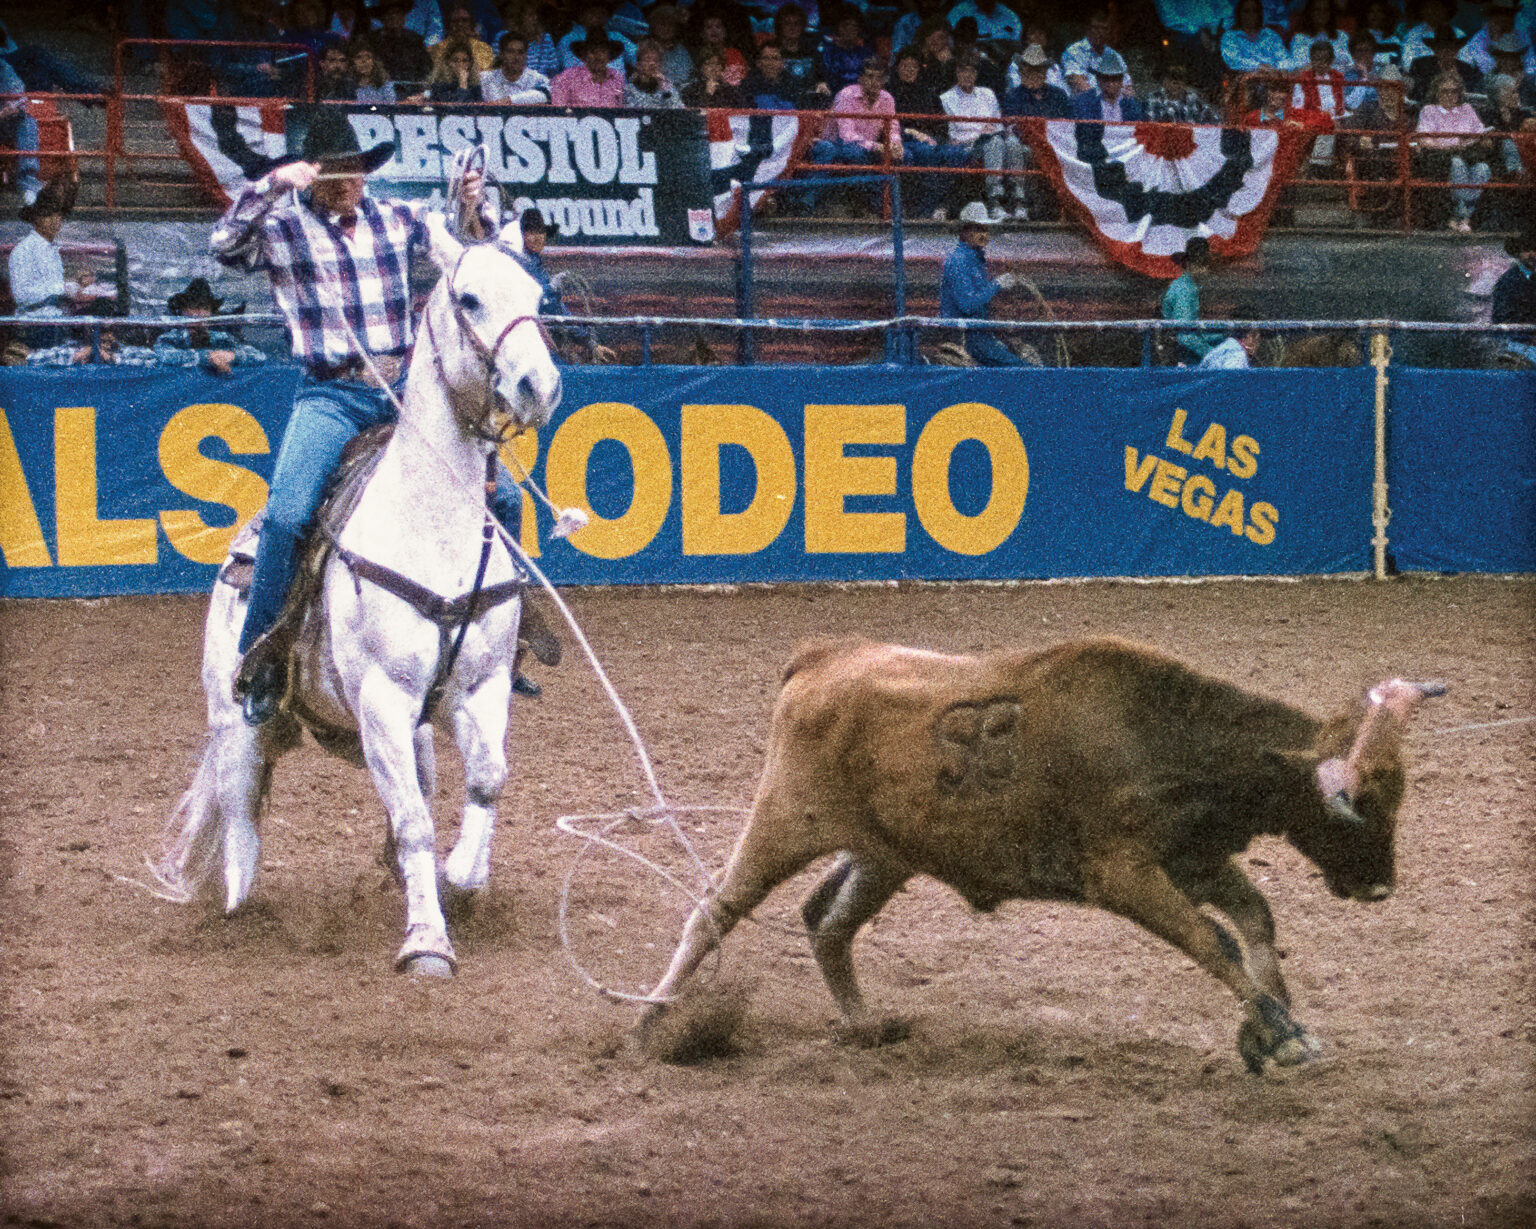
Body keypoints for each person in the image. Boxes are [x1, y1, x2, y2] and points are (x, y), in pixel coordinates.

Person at [208, 109, 525, 725]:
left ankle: (504, 646)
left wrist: (472, 204)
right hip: (331, 392)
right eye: (333, 172)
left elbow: (473, 254)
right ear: (312, 176)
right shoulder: (286, 229)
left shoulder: (400, 219)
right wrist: (273, 185)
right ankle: (262, 653)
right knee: (288, 516)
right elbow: (224, 245)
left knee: (504, 496)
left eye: (355, 171)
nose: (347, 182)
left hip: (406, 391)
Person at [805, 58, 903, 215]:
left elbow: (892, 125)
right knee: (855, 153)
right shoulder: (846, 95)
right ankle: (808, 206)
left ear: (884, 80)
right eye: (870, 76)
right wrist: (876, 146)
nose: (874, 82)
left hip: (867, 144)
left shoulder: (887, 98)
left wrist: (895, 143)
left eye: (879, 78)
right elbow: (847, 135)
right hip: (836, 143)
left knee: (905, 156)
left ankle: (889, 208)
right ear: (861, 79)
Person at [8, 177, 99, 329]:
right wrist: (62, 288)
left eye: (56, 214)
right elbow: (21, 295)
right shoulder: (22, 251)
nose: (53, 220)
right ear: (35, 218)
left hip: (56, 320)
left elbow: (50, 286)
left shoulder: (52, 250)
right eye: (46, 215)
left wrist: (74, 283)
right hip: (34, 324)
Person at [940, 201, 1022, 365]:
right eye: (978, 229)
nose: (983, 233)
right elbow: (967, 305)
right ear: (965, 232)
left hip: (979, 334)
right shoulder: (959, 261)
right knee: (1021, 368)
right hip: (968, 338)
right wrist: (997, 285)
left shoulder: (975, 260)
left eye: (984, 229)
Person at [941, 54, 1022, 220]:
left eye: (971, 72)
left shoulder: (987, 94)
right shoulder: (946, 98)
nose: (967, 75)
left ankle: (1019, 201)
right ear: (957, 73)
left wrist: (989, 131)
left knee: (1013, 142)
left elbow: (997, 123)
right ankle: (995, 202)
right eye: (963, 71)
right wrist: (980, 133)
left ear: (976, 74)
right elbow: (953, 134)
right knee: (995, 143)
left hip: (992, 137)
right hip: (967, 144)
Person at [1416, 71, 1491, 231]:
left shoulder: (1467, 109)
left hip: (1467, 153)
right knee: (1457, 164)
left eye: (1454, 91)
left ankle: (1461, 216)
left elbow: (1480, 132)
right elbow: (1424, 139)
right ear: (1436, 92)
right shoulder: (1429, 110)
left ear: (1459, 92)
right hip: (1441, 155)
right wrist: (1448, 146)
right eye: (1445, 91)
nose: (1450, 95)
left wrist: (1469, 141)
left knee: (1483, 168)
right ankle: (1463, 217)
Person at [152, 278, 268, 374]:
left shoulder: (221, 337)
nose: (199, 313)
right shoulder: (171, 338)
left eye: (205, 308)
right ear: (183, 311)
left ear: (211, 313)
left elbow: (259, 356)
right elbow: (163, 355)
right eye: (194, 306)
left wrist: (232, 356)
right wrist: (208, 357)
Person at [0, 26, 42, 206]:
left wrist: (9, 109)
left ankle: (28, 185)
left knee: (27, 123)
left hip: (3, 123)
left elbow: (20, 99)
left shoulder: (4, 67)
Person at [1159, 238, 1217, 366]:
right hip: (1180, 354)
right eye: (1202, 264)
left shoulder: (1187, 285)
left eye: (1207, 264)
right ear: (1190, 264)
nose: (1206, 269)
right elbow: (1185, 336)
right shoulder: (1185, 291)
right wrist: (1213, 355)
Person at [1490, 227, 1536, 367]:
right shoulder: (1508, 281)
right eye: (1527, 250)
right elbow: (1501, 319)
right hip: (1520, 345)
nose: (1532, 254)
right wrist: (1530, 336)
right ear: (1518, 253)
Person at [1061, 9, 1130, 97]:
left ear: (1109, 32)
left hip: (1112, 103)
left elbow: (1128, 87)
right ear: (1088, 29)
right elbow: (1079, 84)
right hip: (1086, 103)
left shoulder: (1115, 56)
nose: (1100, 32)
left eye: (1104, 28)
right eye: (1096, 28)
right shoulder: (1073, 51)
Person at [549, 33, 627, 106]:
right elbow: (559, 109)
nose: (598, 56)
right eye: (593, 52)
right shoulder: (567, 78)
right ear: (585, 55)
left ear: (609, 55)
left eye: (603, 52)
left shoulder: (618, 78)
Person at [372, 0, 433, 88]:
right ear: (382, 19)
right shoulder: (373, 40)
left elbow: (426, 68)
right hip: (380, 90)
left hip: (411, 90)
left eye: (398, 13)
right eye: (389, 13)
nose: (393, 16)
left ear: (404, 17)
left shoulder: (416, 40)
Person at [1221, 0, 1289, 76]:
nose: (1251, 14)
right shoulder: (1230, 37)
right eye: (1246, 11)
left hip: (1272, 78)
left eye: (1255, 11)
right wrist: (1259, 66)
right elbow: (1233, 60)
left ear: (1259, 13)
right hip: (1244, 79)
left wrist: (1279, 67)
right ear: (1239, 14)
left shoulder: (1270, 34)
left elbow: (1283, 57)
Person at [480, 31, 552, 103]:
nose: (516, 57)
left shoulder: (537, 78)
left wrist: (511, 100)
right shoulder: (486, 78)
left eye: (521, 52)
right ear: (501, 54)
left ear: (526, 55)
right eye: (511, 52)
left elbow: (545, 95)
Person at [1073, 50, 1144, 122]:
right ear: (1098, 79)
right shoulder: (1085, 102)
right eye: (1106, 79)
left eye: (1115, 79)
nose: (1110, 84)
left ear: (1122, 80)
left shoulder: (1131, 104)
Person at [1143, 60, 1221, 123]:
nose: (1177, 86)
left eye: (1181, 82)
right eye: (1174, 82)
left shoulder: (1193, 97)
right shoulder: (1154, 98)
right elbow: (1149, 125)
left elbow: (1211, 121)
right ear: (1164, 82)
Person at [430, 3, 495, 73]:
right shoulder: (437, 49)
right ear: (449, 24)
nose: (459, 24)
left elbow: (486, 75)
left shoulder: (484, 48)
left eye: (464, 20)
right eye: (455, 21)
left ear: (471, 23)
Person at [644, 5, 694, 91]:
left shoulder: (681, 50)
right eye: (662, 24)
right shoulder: (644, 48)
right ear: (653, 26)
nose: (666, 28)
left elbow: (688, 77)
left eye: (670, 24)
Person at [622, 38, 683, 107]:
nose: (652, 63)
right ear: (638, 65)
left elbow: (679, 108)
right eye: (647, 59)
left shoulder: (667, 86)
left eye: (656, 60)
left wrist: (663, 87)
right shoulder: (630, 88)